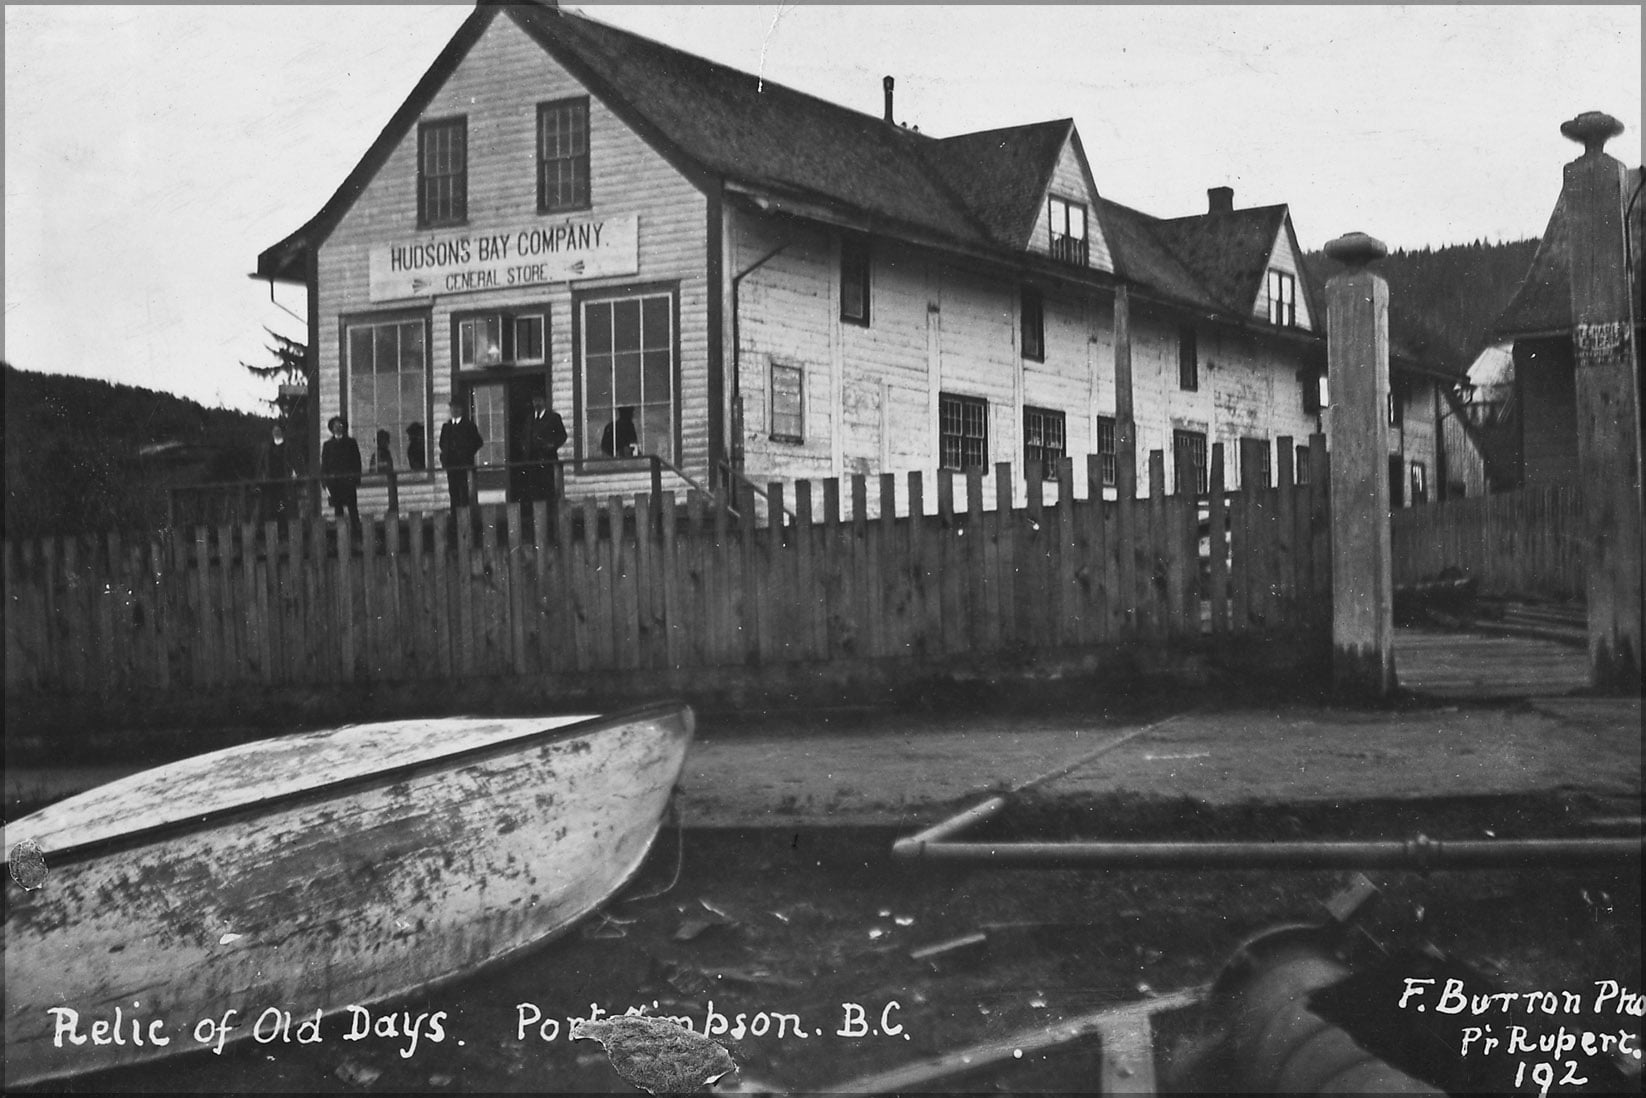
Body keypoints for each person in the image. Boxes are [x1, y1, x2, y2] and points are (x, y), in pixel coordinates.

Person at [522, 392, 568, 507]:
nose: (537, 403)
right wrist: (525, 447)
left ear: (544, 401)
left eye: (539, 400)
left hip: (547, 460)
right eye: (534, 400)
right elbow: (524, 437)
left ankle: (550, 517)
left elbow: (562, 436)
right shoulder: (529, 419)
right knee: (534, 491)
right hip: (532, 461)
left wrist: (553, 445)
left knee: (548, 490)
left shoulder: (553, 417)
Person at [320, 415, 362, 531]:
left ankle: (356, 532)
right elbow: (324, 465)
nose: (337, 428)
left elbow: (357, 462)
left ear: (343, 428)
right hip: (335, 483)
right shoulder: (328, 446)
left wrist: (356, 479)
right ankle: (341, 533)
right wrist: (325, 483)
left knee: (352, 508)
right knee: (338, 509)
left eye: (340, 426)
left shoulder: (351, 443)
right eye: (335, 426)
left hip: (348, 482)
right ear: (332, 429)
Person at [439, 399, 483, 508]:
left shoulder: (468, 426)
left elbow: (478, 442)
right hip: (451, 465)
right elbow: (442, 444)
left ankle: (465, 519)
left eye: (457, 408)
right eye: (453, 408)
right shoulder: (446, 427)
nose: (455, 410)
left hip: (464, 465)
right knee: (453, 492)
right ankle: (455, 520)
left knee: (464, 492)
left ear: (462, 410)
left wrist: (467, 453)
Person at [255, 422, 300, 524]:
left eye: (278, 430)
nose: (276, 432)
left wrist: (294, 475)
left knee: (283, 507)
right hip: (271, 483)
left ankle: (283, 529)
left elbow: (294, 464)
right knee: (270, 508)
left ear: (282, 432)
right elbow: (262, 465)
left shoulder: (288, 447)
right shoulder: (267, 448)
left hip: (285, 483)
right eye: (274, 430)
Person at [370, 428, 398, 515]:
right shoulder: (377, 454)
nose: (387, 443)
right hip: (382, 482)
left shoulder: (387, 453)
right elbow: (374, 469)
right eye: (384, 440)